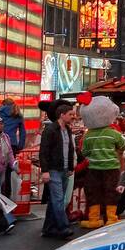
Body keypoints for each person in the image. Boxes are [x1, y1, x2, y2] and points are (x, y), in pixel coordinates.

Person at [74, 96, 125, 228]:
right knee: (111, 192)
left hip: (94, 168)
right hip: (112, 167)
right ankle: (111, 218)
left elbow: (84, 152)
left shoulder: (88, 135)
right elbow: (124, 145)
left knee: (93, 192)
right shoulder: (113, 133)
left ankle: (94, 219)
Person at [38, 101, 79, 239]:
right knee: (58, 199)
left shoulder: (66, 129)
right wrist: (45, 171)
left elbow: (70, 149)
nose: (73, 116)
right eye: (70, 114)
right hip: (54, 169)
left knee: (54, 200)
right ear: (62, 115)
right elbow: (44, 151)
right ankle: (63, 227)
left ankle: (48, 228)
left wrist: (71, 167)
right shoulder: (50, 130)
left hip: (64, 169)